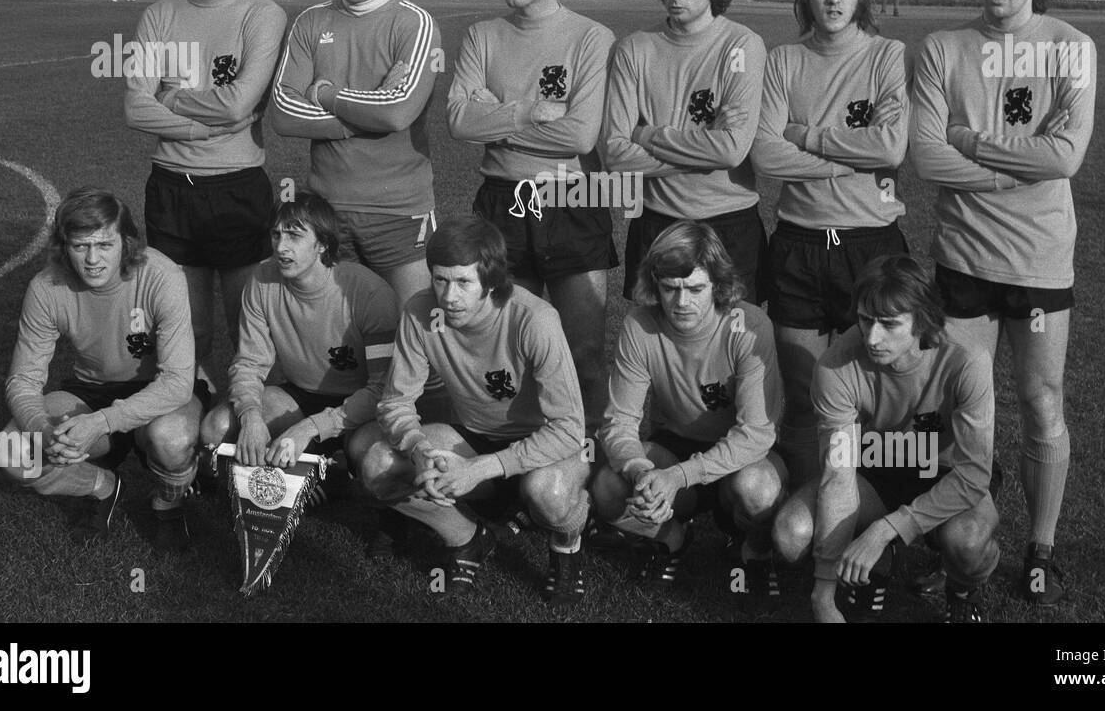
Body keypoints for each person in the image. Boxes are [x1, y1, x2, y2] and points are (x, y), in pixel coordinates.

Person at [909, 0, 1096, 606]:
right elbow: (927, 156)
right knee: (963, 406)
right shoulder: (941, 47)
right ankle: (960, 536)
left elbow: (1066, 157)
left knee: (1041, 401)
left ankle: (1040, 546)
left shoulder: (1071, 46)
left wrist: (972, 140)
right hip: (962, 258)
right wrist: (1017, 168)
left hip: (1041, 264)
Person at [356, 217, 591, 608]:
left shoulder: (535, 319)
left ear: (492, 281)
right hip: (475, 436)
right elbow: (395, 402)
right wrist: (417, 449)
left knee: (546, 491)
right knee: (378, 464)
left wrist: (479, 469)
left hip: (548, 446)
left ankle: (567, 544)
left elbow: (568, 429)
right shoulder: (420, 312)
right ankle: (466, 538)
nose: (448, 296)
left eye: (463, 282)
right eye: (440, 279)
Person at [446, 0, 616, 430]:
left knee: (584, 352)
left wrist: (496, 117)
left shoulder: (591, 38)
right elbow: (457, 120)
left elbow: (581, 136)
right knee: (507, 347)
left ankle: (589, 464)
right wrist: (527, 112)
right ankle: (518, 462)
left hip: (573, 196)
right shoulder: (481, 35)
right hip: (501, 201)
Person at [751, 0, 908, 490]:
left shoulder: (887, 56)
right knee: (803, 393)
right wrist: (848, 160)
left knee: (872, 389)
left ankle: (861, 514)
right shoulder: (784, 60)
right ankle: (806, 513)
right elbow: (767, 154)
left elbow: (890, 148)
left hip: (871, 246)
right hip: (800, 243)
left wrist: (810, 138)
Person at [772, 255, 1000, 623]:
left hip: (946, 469)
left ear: (921, 320)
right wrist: (824, 592)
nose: (872, 337)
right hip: (878, 464)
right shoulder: (835, 365)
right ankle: (880, 559)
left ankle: (961, 589)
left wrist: (888, 529)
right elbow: (839, 474)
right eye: (865, 320)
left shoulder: (967, 358)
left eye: (890, 324)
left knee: (968, 541)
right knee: (790, 534)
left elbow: (974, 475)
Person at [124, 0, 287, 404]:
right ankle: (187, 438)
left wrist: (170, 96)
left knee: (248, 327)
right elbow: (134, 107)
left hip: (237, 187)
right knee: (186, 328)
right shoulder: (159, 14)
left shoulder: (262, 14)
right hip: (172, 187)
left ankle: (246, 430)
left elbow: (241, 102)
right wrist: (202, 127)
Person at [0, 187, 200, 552]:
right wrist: (44, 430)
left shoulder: (162, 275)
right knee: (12, 452)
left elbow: (176, 382)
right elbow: (23, 380)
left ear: (126, 242)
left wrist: (102, 423)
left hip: (161, 391)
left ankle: (169, 503)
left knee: (170, 439)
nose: (93, 259)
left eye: (104, 245)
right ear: (64, 247)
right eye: (80, 246)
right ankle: (102, 487)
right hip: (93, 389)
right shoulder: (46, 288)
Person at [593, 222, 785, 595]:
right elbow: (620, 423)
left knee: (758, 489)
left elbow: (755, 434)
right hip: (675, 445)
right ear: (654, 284)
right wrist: (640, 471)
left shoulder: (750, 325)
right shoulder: (639, 326)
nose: (681, 303)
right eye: (670, 289)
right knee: (606, 488)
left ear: (718, 284)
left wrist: (678, 477)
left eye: (695, 288)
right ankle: (673, 539)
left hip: (742, 458)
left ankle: (756, 551)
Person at [270, 0, 442, 310]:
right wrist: (367, 112)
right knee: (339, 336)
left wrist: (327, 95)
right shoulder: (311, 21)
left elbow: (398, 112)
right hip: (326, 209)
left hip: (399, 210)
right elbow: (283, 111)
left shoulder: (414, 23)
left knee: (417, 331)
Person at [601, 0, 769, 302]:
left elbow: (731, 151)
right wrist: (704, 153)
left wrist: (647, 136)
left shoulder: (742, 45)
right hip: (658, 220)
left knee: (730, 348)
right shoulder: (634, 49)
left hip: (730, 220)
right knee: (657, 347)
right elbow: (614, 154)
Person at [200, 192, 398, 487]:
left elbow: (382, 389)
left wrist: (311, 427)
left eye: (294, 236)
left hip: (361, 402)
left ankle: (339, 479)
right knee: (216, 427)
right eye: (276, 234)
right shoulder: (262, 279)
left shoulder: (369, 293)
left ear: (323, 244)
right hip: (301, 393)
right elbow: (249, 363)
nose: (281, 247)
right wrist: (251, 415)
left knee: (367, 452)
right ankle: (293, 483)